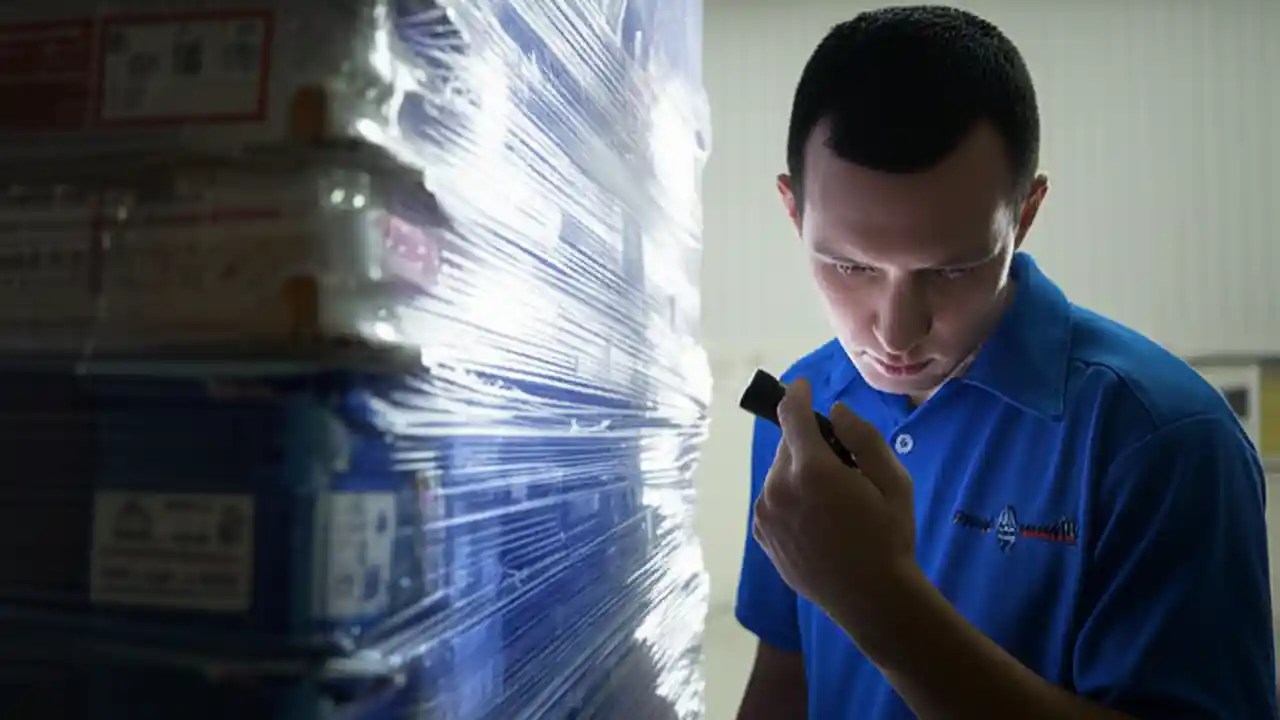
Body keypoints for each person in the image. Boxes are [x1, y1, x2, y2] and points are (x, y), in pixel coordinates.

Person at [734, 5, 1278, 719]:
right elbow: (784, 675)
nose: (897, 331)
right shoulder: (799, 410)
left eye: (954, 270)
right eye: (848, 265)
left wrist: (880, 604)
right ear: (792, 211)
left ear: (1023, 215)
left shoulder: (1163, 442)